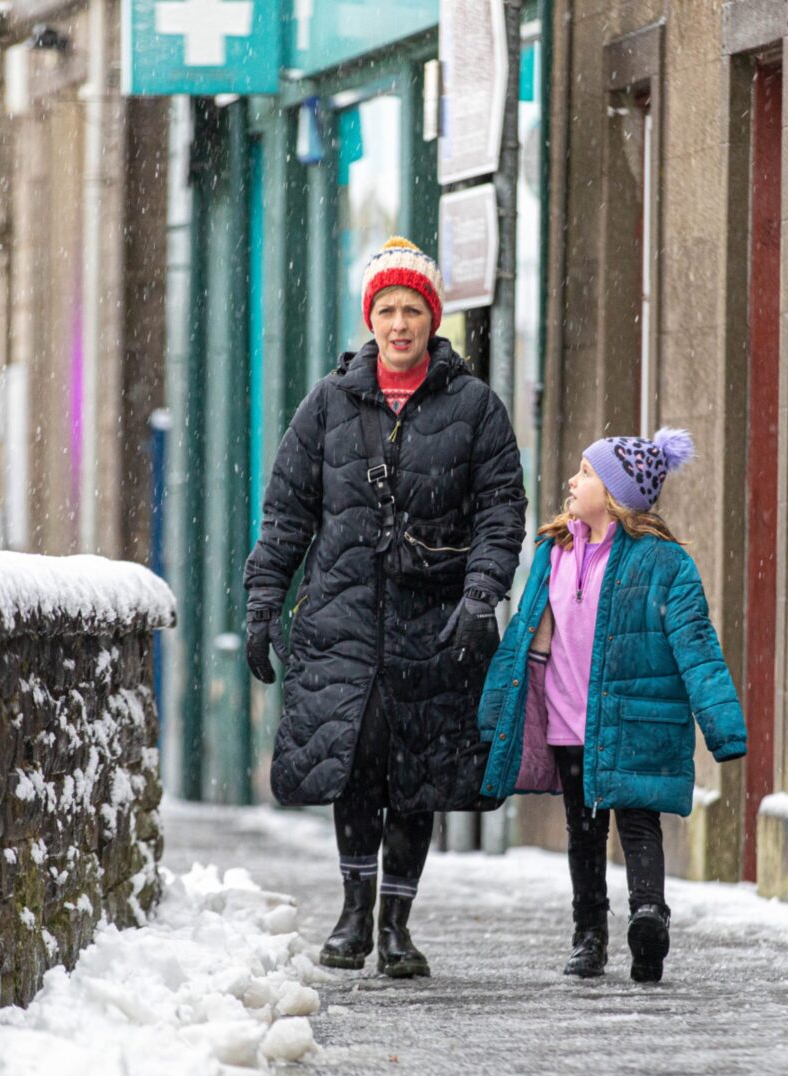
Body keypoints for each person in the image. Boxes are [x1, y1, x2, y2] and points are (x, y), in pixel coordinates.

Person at [244, 238, 526, 978]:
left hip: (435, 622)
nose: (399, 324)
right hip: (343, 616)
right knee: (358, 762)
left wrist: (480, 595)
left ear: (434, 319)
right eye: (386, 309)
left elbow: (502, 512)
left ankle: (396, 923)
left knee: (417, 769)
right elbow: (286, 512)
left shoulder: (475, 408)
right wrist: (263, 601)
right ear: (369, 318)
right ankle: (351, 912)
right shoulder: (329, 404)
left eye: (413, 310)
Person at [475, 428, 747, 983]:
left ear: (617, 494)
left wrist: (723, 725)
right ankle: (589, 933)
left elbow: (698, 648)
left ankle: (649, 918)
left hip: (635, 719)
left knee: (638, 822)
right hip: (569, 721)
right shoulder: (555, 553)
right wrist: (496, 710)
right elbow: (525, 635)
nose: (572, 482)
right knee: (583, 829)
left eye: (586, 473)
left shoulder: (664, 564)